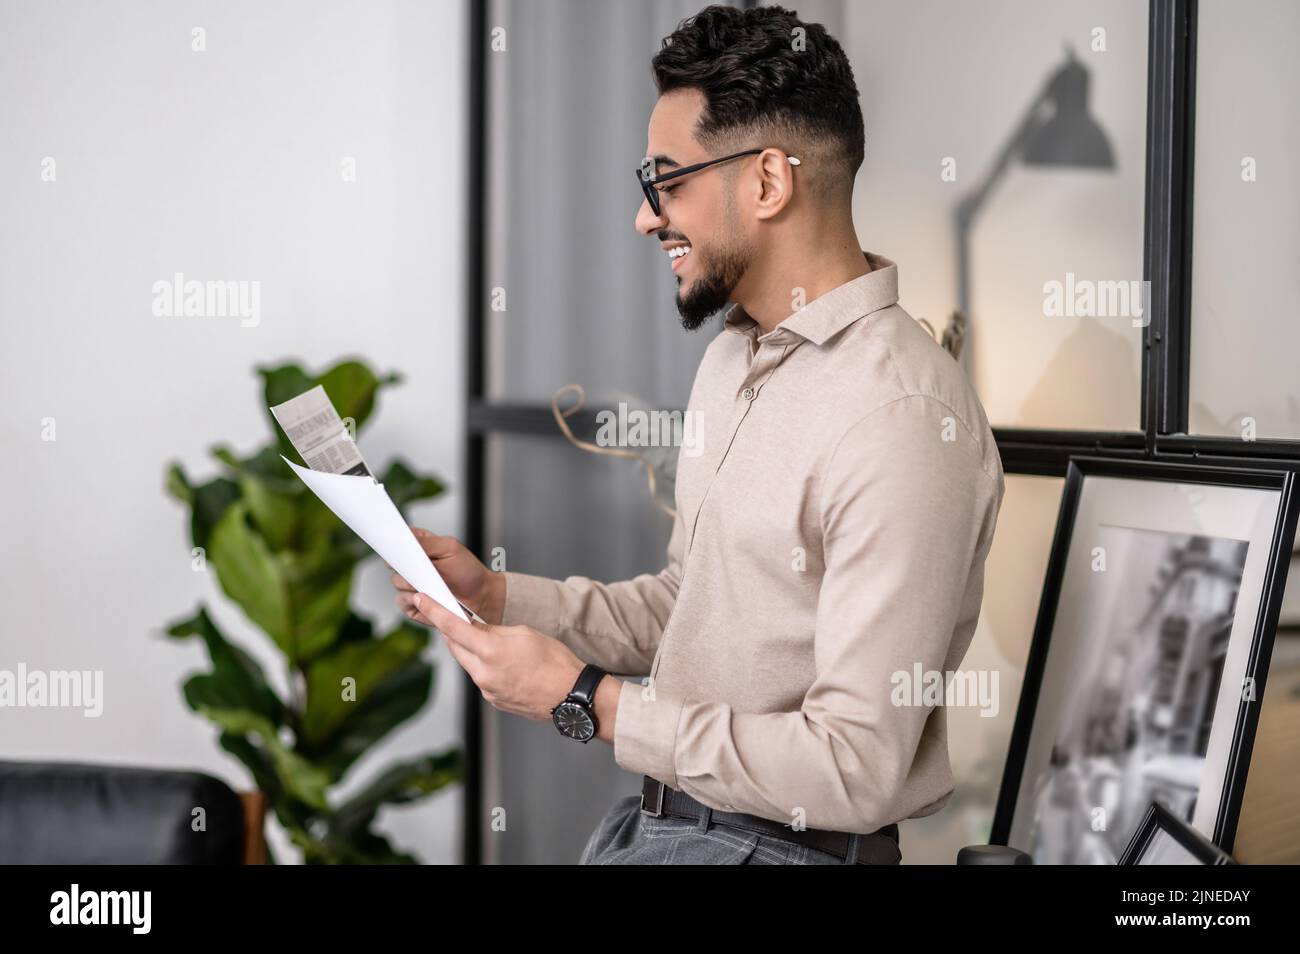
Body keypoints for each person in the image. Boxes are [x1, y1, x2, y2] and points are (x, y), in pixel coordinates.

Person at [393, 3, 1005, 865]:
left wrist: (585, 700)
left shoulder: (902, 421)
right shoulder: (736, 358)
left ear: (765, 182)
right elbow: (688, 607)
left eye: (667, 182)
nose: (646, 219)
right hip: (658, 828)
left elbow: (856, 767)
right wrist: (497, 598)